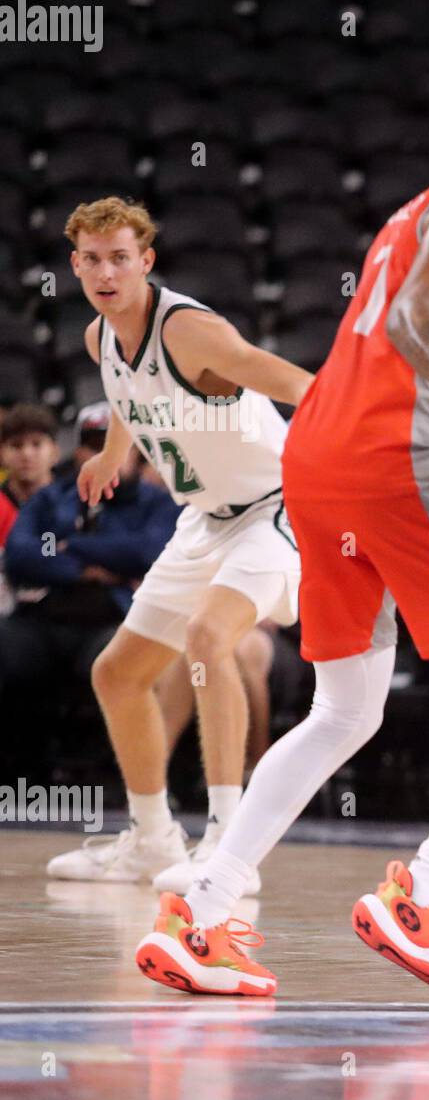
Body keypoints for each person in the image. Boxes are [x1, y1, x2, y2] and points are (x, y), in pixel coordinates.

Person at [135, 52, 429, 1007]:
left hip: (320, 461)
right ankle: (424, 898)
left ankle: (205, 914)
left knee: (346, 710)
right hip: (400, 464)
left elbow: (409, 317)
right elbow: (412, 319)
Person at [44, 196, 309, 892]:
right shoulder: (101, 338)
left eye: (120, 259)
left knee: (208, 638)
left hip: (276, 508)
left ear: (146, 262)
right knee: (116, 673)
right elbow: (133, 397)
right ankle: (155, 840)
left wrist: (344, 425)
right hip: (205, 519)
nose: (107, 273)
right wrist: (111, 455)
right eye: (93, 260)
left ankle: (228, 845)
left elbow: (282, 377)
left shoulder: (189, 329)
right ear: (75, 266)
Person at [2, 440, 178, 775]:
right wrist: (87, 568)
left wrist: (75, 545)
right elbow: (23, 555)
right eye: (90, 446)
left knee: (121, 660)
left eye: (115, 448)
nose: (103, 456)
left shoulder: (156, 502)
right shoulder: (52, 499)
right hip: (46, 617)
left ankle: (117, 773)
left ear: (136, 455)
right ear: (77, 454)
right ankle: (21, 767)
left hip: (114, 618)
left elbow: (148, 553)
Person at [0, 403, 60, 615]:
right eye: (16, 445)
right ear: (2, 453)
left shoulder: (77, 502)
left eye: (36, 444)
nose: (26, 454)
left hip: (67, 614)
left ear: (55, 452)